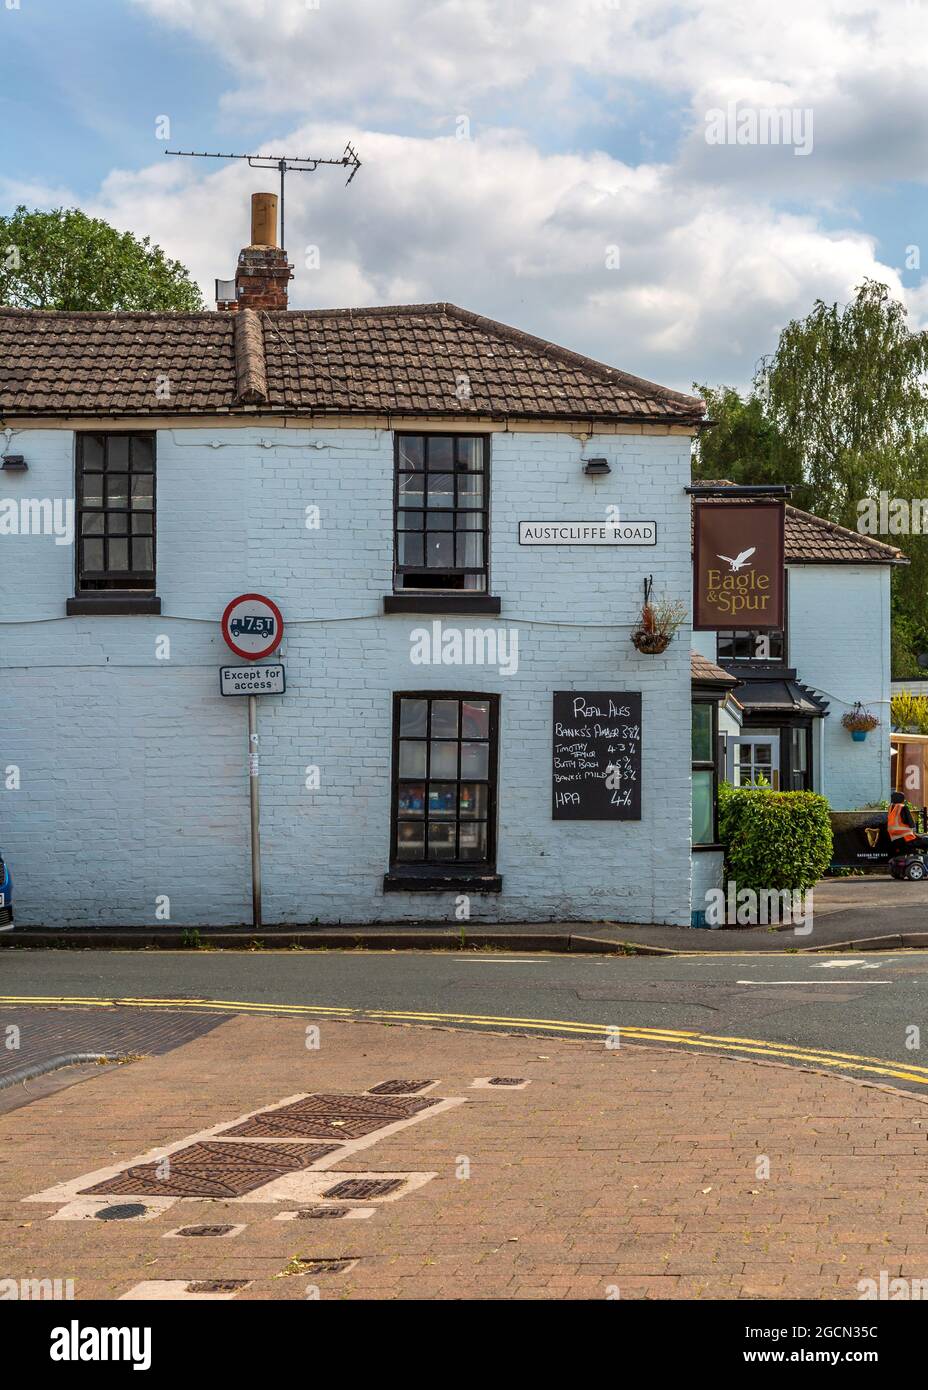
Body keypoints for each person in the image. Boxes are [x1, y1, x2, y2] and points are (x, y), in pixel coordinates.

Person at [887, 792, 928, 856]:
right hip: (907, 839)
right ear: (902, 799)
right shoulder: (903, 807)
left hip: (895, 839)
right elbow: (911, 824)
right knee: (926, 841)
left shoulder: (891, 808)